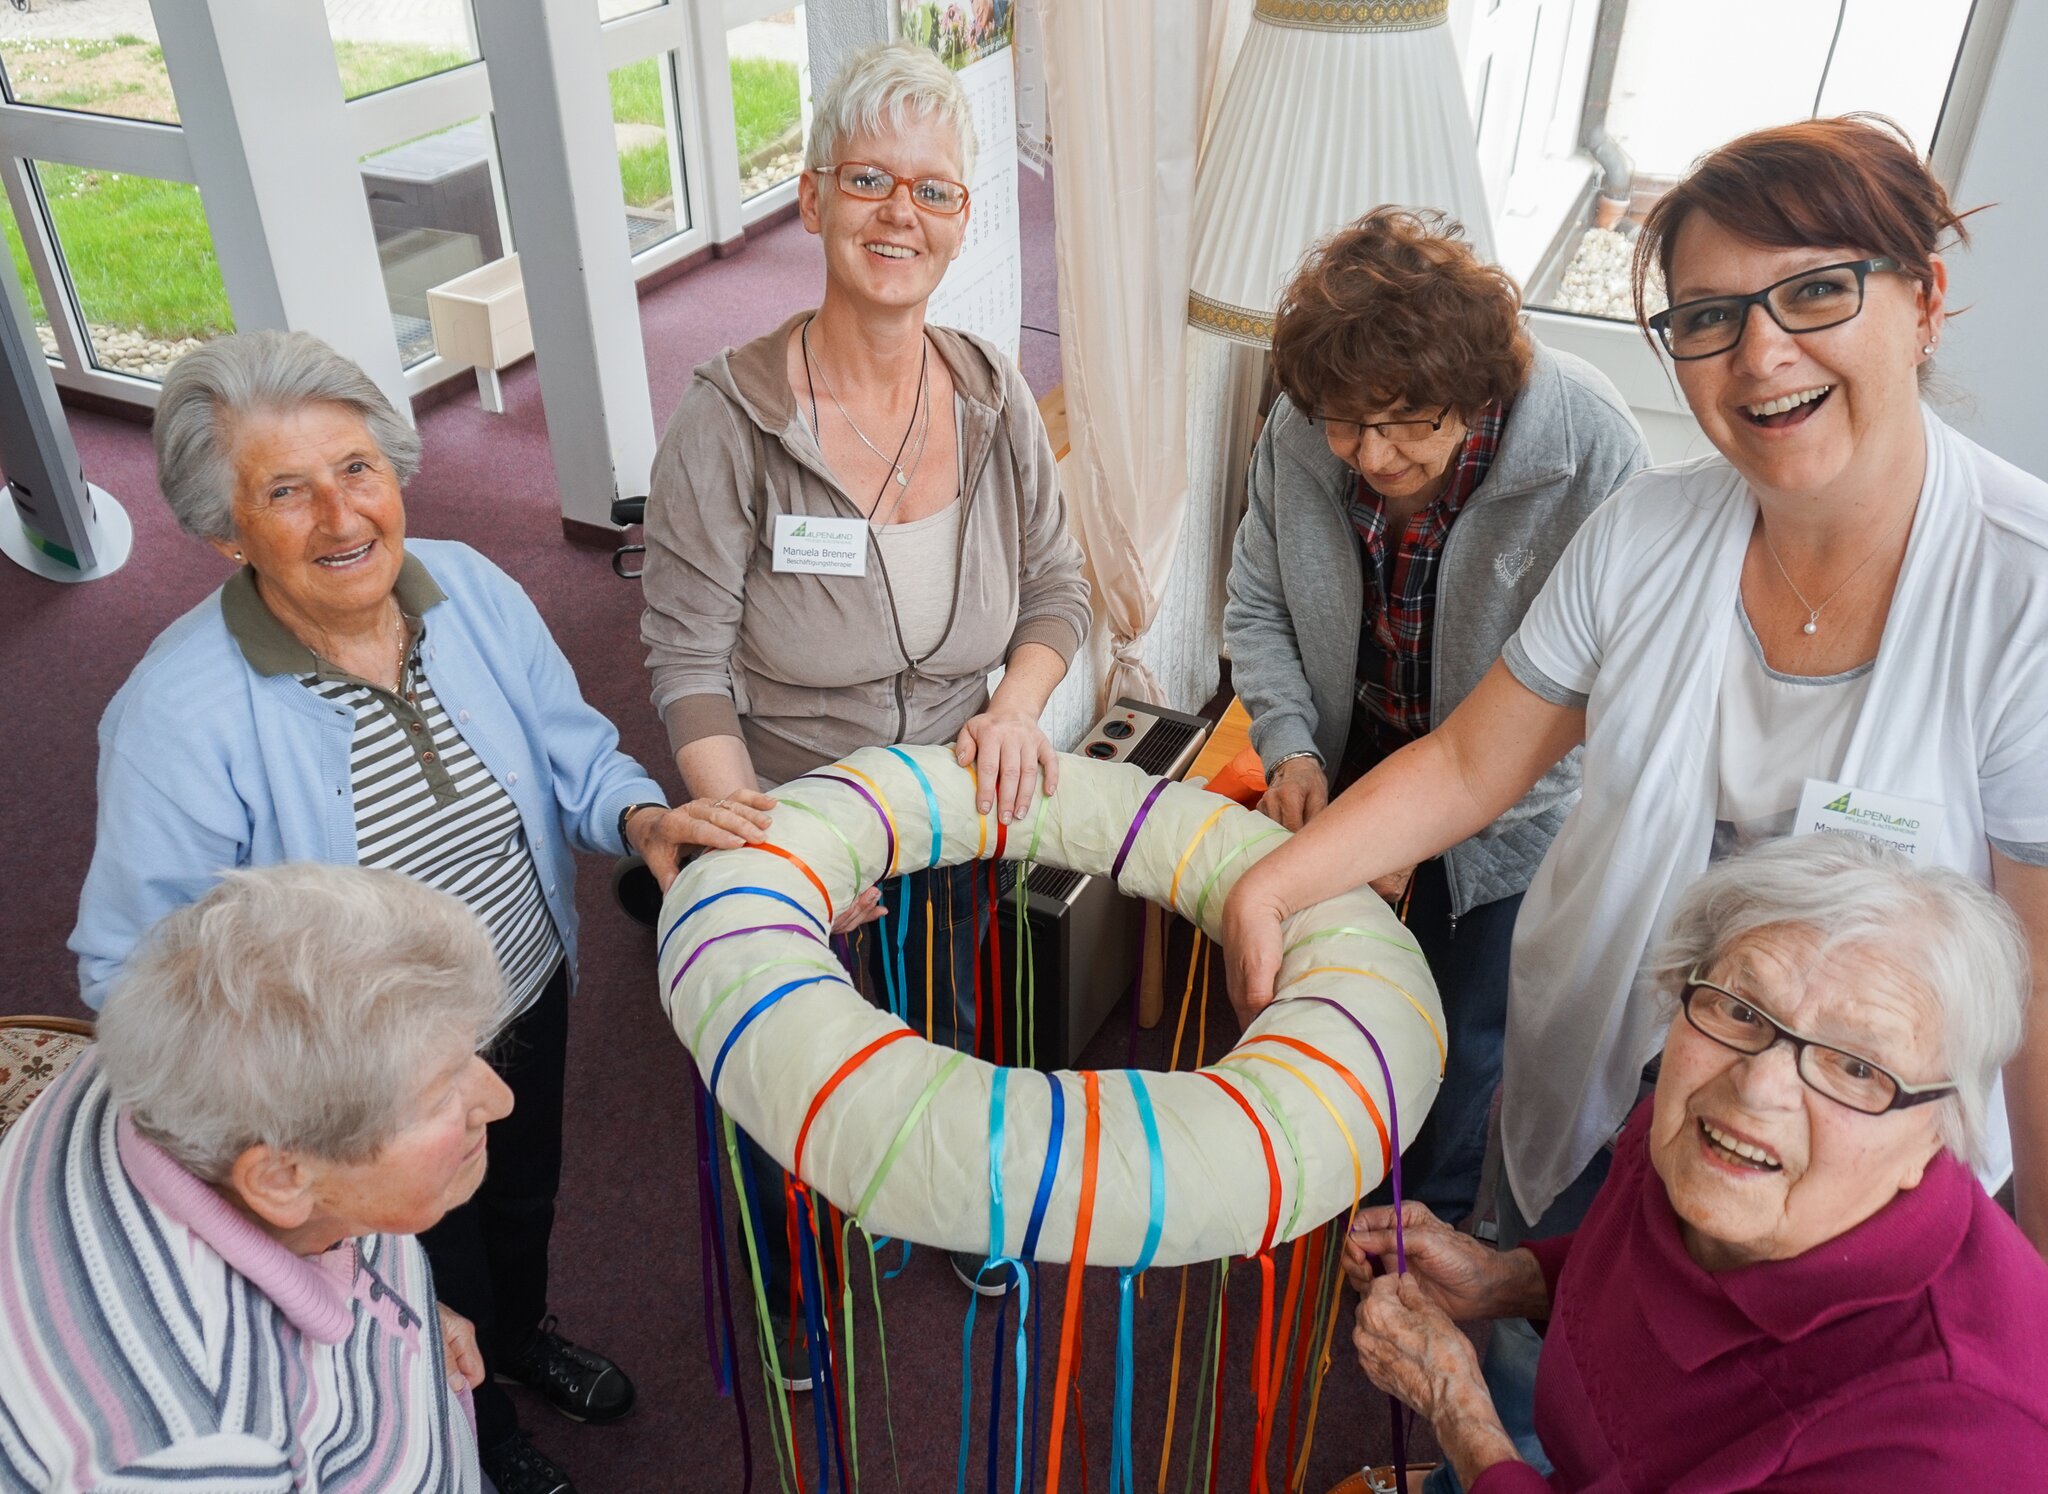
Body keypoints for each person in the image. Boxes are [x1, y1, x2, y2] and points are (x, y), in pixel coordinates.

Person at [1226, 116, 2048, 1487]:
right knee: (1561, 1336)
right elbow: (1474, 762)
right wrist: (1272, 881)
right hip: (1606, 1067)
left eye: (1815, 292)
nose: (1761, 354)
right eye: (1709, 317)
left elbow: (2038, 990)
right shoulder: (1650, 529)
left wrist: (2030, 1281)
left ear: (1922, 303)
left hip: (1829, 1144)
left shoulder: (2022, 592)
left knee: (1729, 1421)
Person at [67, 330, 764, 1494]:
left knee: (520, 1196)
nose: (342, 516)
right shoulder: (174, 717)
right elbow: (128, 970)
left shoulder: (471, 589)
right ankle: (473, 1425)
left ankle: (521, 1335)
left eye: (357, 469)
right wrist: (292, 1102)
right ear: (227, 530)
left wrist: (642, 819)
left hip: (527, 982)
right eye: (286, 491)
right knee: (417, 1264)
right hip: (363, 1085)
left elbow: (574, 753)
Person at [638, 39, 1089, 1344]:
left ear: (962, 218)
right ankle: (802, 1277)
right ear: (813, 198)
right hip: (792, 807)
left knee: (944, 1023)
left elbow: (1057, 589)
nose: (901, 213)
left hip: (950, 807)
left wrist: (1016, 705)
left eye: (932, 190)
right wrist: (778, 844)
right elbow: (687, 665)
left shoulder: (993, 396)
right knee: (792, 1064)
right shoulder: (726, 420)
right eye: (869, 180)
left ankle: (933, 1198)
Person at [1338, 835, 2048, 1492]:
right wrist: (1504, 1279)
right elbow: (1645, 1263)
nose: (1757, 1086)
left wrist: (1459, 1410)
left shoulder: (1950, 1443)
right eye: (1743, 1009)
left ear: (1938, 1133)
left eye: (1856, 1067)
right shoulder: (1704, 1139)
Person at [1224, 207, 1647, 1222]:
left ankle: (1421, 1229)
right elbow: (1258, 604)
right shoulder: (1300, 428)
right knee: (1324, 993)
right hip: (1354, 743)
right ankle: (1317, 1193)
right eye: (1344, 423)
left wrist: (1427, 831)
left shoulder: (1592, 450)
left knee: (1455, 1046)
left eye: (1406, 421)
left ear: (1475, 389)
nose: (1370, 455)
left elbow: (1594, 703)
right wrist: (1290, 747)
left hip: (1513, 799)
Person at [3, 864, 514, 1491]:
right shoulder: (199, 1453)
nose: (500, 1100)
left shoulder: (177, 1053)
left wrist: (403, 1321)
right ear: (280, 1181)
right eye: (440, 1095)